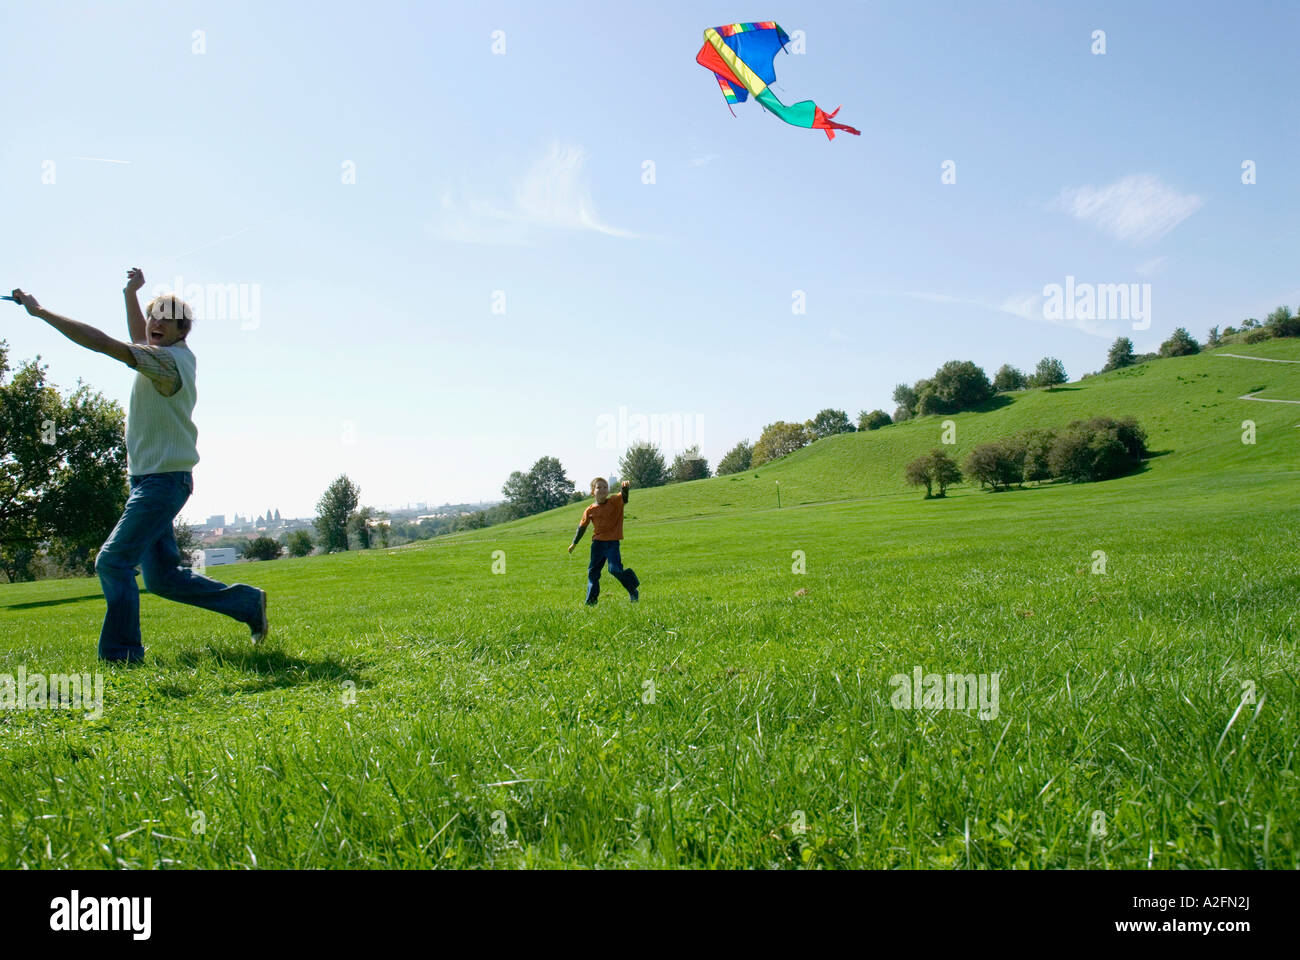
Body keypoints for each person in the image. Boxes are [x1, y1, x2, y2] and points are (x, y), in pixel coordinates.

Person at [10, 269, 268, 663]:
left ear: (183, 329)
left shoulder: (168, 364)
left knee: (113, 561)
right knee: (163, 579)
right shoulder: (161, 355)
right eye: (153, 317)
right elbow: (137, 338)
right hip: (151, 482)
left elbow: (103, 344)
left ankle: (122, 655)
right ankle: (247, 604)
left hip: (162, 484)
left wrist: (42, 312)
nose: (155, 323)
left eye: (165, 318)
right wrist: (130, 293)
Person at [567, 478, 639, 604]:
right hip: (598, 545)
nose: (602, 490)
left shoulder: (614, 501)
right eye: (599, 487)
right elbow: (582, 527)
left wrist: (625, 488)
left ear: (608, 490)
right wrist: (574, 543)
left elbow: (624, 498)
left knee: (614, 569)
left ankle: (632, 590)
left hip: (612, 543)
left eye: (605, 487)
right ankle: (591, 602)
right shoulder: (590, 510)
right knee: (593, 573)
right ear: (592, 492)